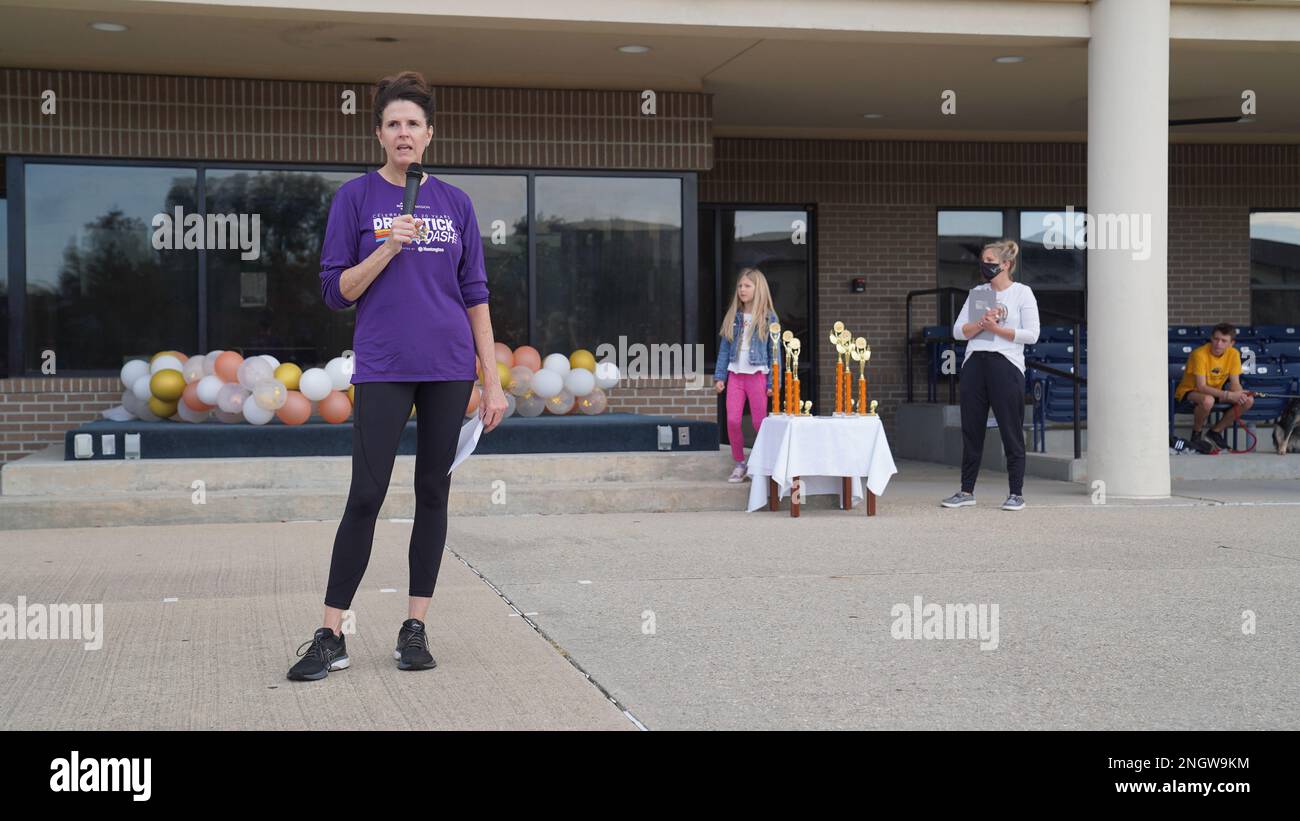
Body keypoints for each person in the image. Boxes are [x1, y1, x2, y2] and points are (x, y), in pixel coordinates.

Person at [288, 71, 508, 682]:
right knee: (366, 495)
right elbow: (336, 292)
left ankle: (415, 626)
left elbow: (476, 296)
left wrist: (489, 380)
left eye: (413, 123)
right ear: (379, 134)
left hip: (446, 368)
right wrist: (386, 246)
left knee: (433, 493)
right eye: (393, 124)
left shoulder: (456, 204)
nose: (403, 133)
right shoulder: (354, 200)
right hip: (383, 367)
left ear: (429, 134)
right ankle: (331, 634)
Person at [941, 239, 1040, 511]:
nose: (985, 266)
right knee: (971, 429)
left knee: (1010, 429)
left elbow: (1032, 335)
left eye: (991, 262)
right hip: (975, 363)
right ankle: (966, 490)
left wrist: (996, 330)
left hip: (1006, 365)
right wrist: (982, 324)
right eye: (983, 261)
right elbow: (959, 331)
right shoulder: (979, 293)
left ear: (1006, 264)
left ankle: (1016, 493)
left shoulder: (1022, 293)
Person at [712, 268, 781, 482]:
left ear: (758, 288)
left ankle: (761, 462)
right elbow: (725, 348)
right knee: (732, 420)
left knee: (759, 423)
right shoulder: (734, 316)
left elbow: (774, 351)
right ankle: (740, 462)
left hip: (758, 376)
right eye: (740, 286)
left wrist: (773, 382)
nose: (742, 289)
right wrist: (720, 376)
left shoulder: (769, 317)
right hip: (735, 376)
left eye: (747, 286)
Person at [1173, 322, 1253, 451]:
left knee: (1248, 400)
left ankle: (1214, 432)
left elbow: (1235, 383)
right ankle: (1196, 434)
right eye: (1216, 339)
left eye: (1223, 340)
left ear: (1231, 343)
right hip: (1190, 391)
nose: (1218, 344)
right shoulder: (1199, 354)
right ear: (1211, 338)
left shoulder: (1234, 354)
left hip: (1216, 392)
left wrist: (1239, 394)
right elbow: (1201, 386)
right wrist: (1228, 395)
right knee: (1207, 400)